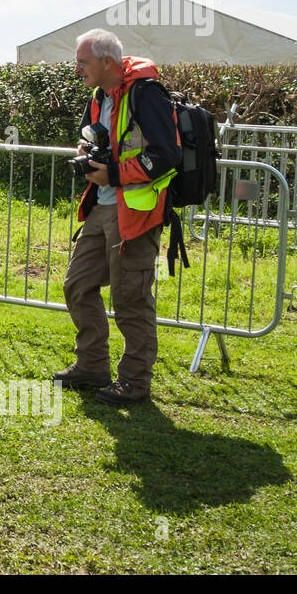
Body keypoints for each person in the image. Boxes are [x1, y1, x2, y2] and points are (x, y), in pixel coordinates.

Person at [55, 28, 180, 407]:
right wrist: (88, 149)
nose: (77, 69)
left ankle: (134, 381)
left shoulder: (147, 94)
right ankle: (92, 366)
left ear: (107, 62)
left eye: (82, 62)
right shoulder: (99, 96)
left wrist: (114, 174)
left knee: (131, 299)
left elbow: (167, 155)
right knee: (77, 285)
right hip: (102, 207)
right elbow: (98, 137)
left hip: (137, 213)